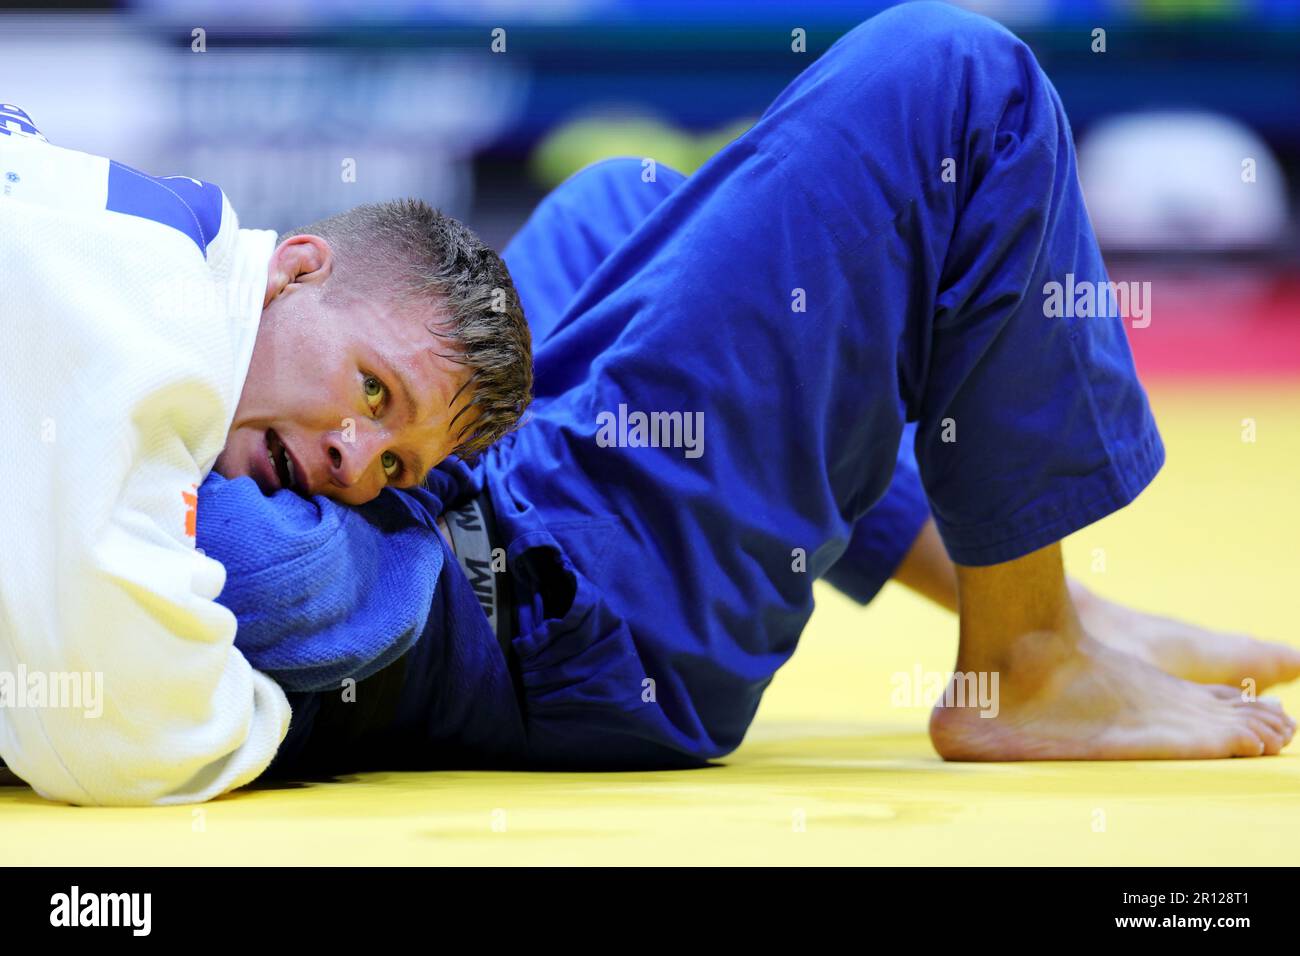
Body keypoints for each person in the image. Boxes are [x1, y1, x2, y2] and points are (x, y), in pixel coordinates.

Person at [196, 2, 1298, 785]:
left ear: (293, 268)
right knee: (957, 76)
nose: (347, 452)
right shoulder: (213, 521)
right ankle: (1027, 660)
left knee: (620, 201)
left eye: (381, 410)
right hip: (588, 615)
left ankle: (1042, 602)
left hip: (491, 515)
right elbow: (280, 573)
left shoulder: (152, 322)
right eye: (372, 424)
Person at [0, 102, 532, 804]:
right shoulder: (149, 302)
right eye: (373, 389)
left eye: (397, 467)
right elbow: (117, 735)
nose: (355, 462)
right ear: (298, 270)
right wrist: (278, 716)